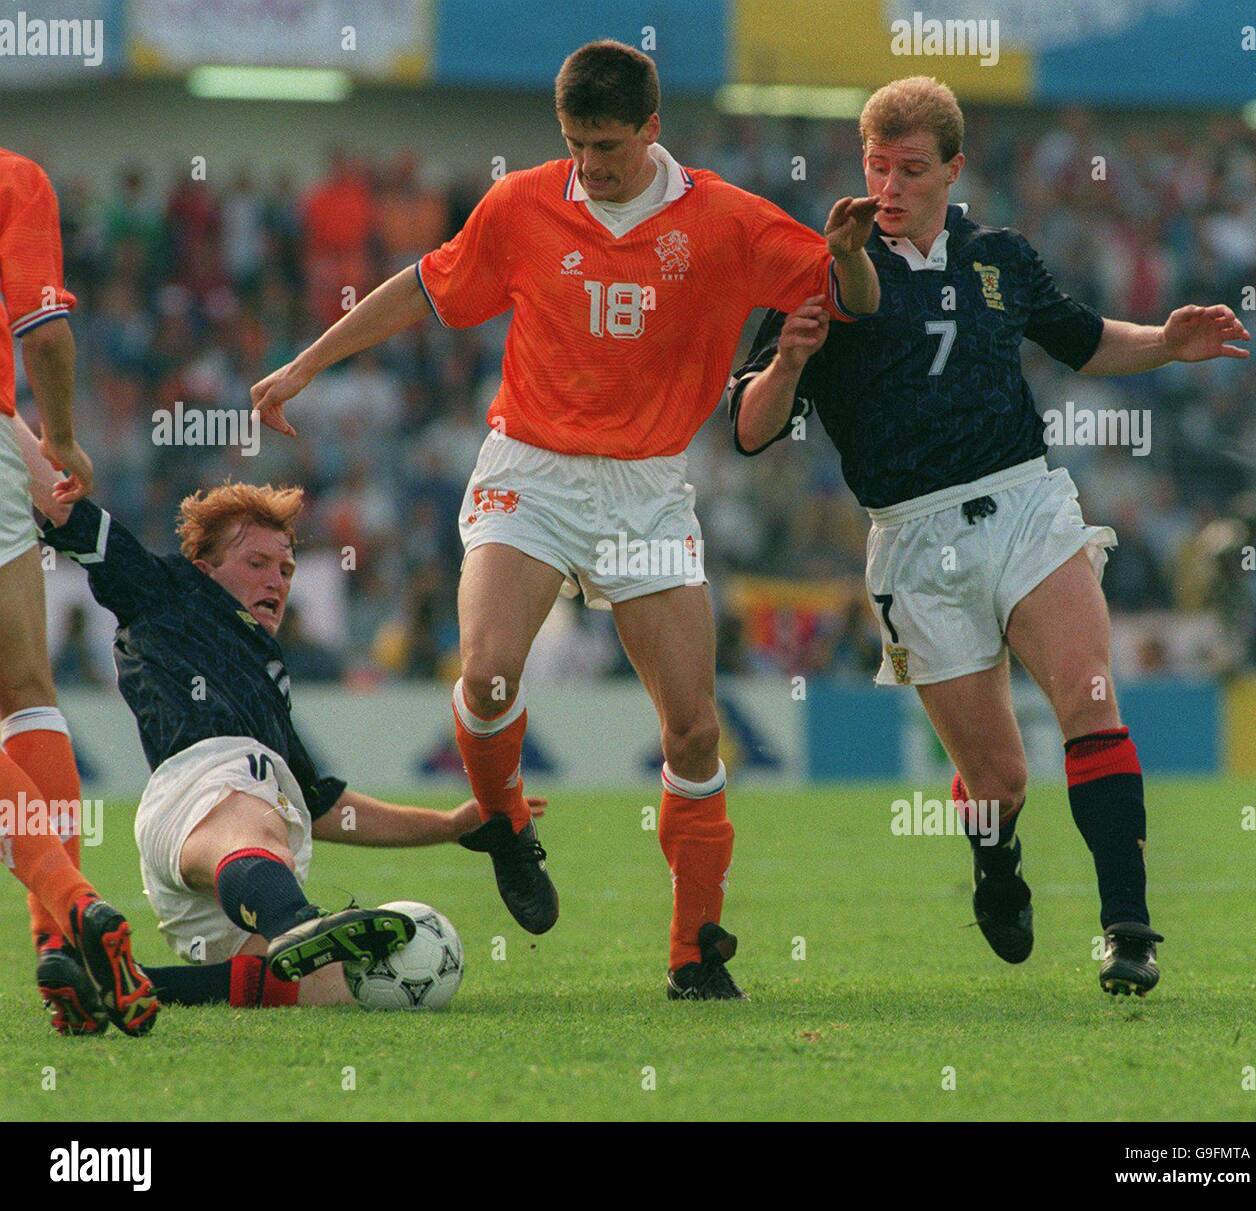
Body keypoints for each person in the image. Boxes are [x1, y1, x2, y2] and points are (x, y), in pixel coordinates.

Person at [252, 40, 882, 1000]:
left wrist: (850, 259)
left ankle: (694, 953)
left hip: (646, 487)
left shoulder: (724, 219)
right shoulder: (521, 206)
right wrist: (305, 363)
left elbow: (851, 299)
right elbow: (423, 288)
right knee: (488, 669)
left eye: (609, 146)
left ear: (653, 129)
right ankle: (504, 822)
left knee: (697, 735)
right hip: (531, 472)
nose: (591, 164)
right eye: (577, 144)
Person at [728, 77, 1250, 997]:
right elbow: (750, 426)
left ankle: (1128, 931)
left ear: (953, 168)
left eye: (911, 168)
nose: (888, 185)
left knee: (1091, 702)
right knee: (1000, 776)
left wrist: (1166, 342)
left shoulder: (999, 255)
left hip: (1025, 504)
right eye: (876, 166)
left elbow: (1085, 341)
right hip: (913, 541)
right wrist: (790, 359)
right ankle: (995, 853)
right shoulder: (823, 268)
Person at [14, 414, 538, 1009]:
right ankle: (294, 919)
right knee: (258, 804)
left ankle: (123, 984)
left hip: (234, 863)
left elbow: (327, 810)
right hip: (200, 800)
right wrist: (14, 420)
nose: (278, 580)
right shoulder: (168, 591)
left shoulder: (267, 677)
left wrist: (447, 826)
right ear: (204, 568)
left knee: (329, 987)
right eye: (258, 563)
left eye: (286, 569)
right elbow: (64, 508)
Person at [0, 147, 160, 1035]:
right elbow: (46, 334)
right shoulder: (16, 177)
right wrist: (53, 441)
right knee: (26, 694)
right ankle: (55, 933)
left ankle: (70, 895)